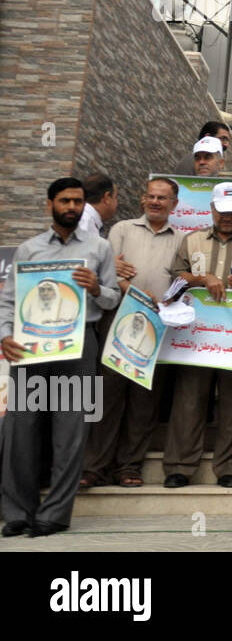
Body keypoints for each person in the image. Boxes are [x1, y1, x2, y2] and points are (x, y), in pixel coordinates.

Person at [1, 178, 120, 537]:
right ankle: (18, 511)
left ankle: (55, 514)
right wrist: (4, 335)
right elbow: (9, 300)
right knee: (21, 430)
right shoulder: (28, 249)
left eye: (78, 201)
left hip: (79, 345)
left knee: (71, 432)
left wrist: (96, 288)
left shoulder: (100, 247)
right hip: (30, 345)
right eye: (65, 201)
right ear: (50, 204)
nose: (72, 207)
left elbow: (113, 298)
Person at [165, 182, 232, 488]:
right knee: (189, 399)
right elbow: (175, 277)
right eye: (222, 211)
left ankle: (231, 468)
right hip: (196, 335)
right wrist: (201, 278)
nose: (227, 217)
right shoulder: (191, 239)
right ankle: (180, 467)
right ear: (212, 209)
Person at [82, 177, 180, 489]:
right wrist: (135, 293)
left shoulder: (182, 239)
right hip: (119, 318)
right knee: (109, 394)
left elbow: (183, 280)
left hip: (157, 324)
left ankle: (129, 467)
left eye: (162, 198)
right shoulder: (121, 229)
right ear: (142, 199)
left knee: (143, 399)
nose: (155, 202)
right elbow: (108, 272)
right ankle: (95, 467)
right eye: (150, 196)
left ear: (174, 204)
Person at [75, 173, 117, 239]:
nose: (116, 203)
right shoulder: (85, 223)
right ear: (107, 198)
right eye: (115, 197)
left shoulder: (85, 220)